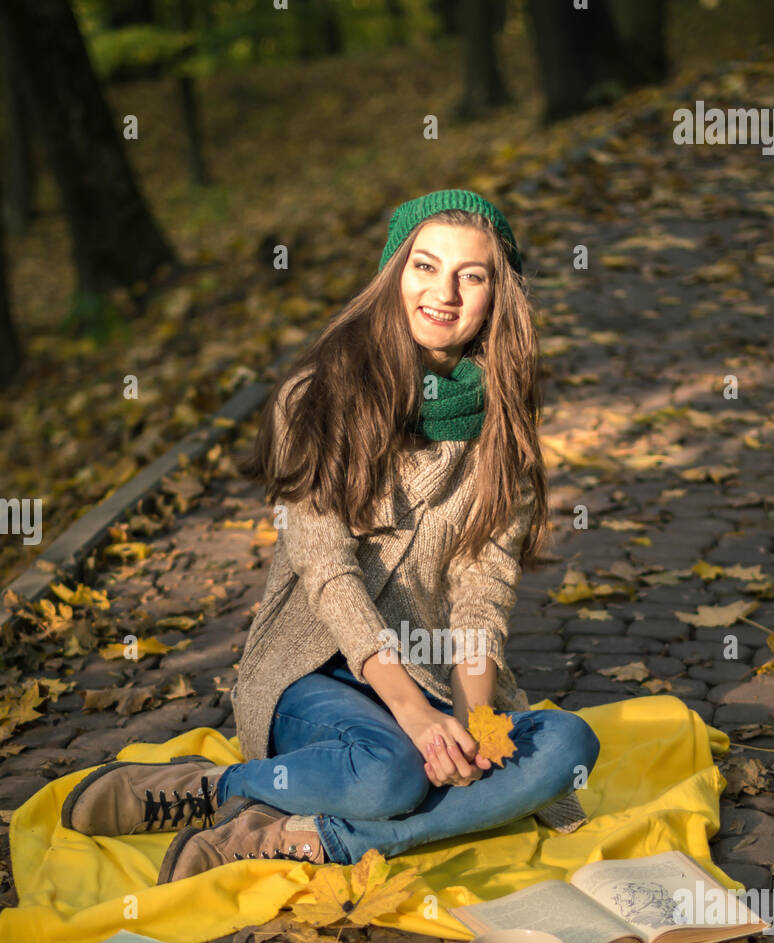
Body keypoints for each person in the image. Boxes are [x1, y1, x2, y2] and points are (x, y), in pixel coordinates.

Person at [61, 189, 600, 882]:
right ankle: (213, 789)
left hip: (434, 672)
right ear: (392, 274)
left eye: (473, 275)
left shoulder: (501, 426)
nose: (445, 292)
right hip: (314, 668)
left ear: (500, 295)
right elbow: (328, 575)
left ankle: (313, 837)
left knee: (565, 747)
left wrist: (470, 718)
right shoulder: (314, 398)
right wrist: (411, 714)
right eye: (424, 267)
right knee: (392, 778)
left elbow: (482, 589)